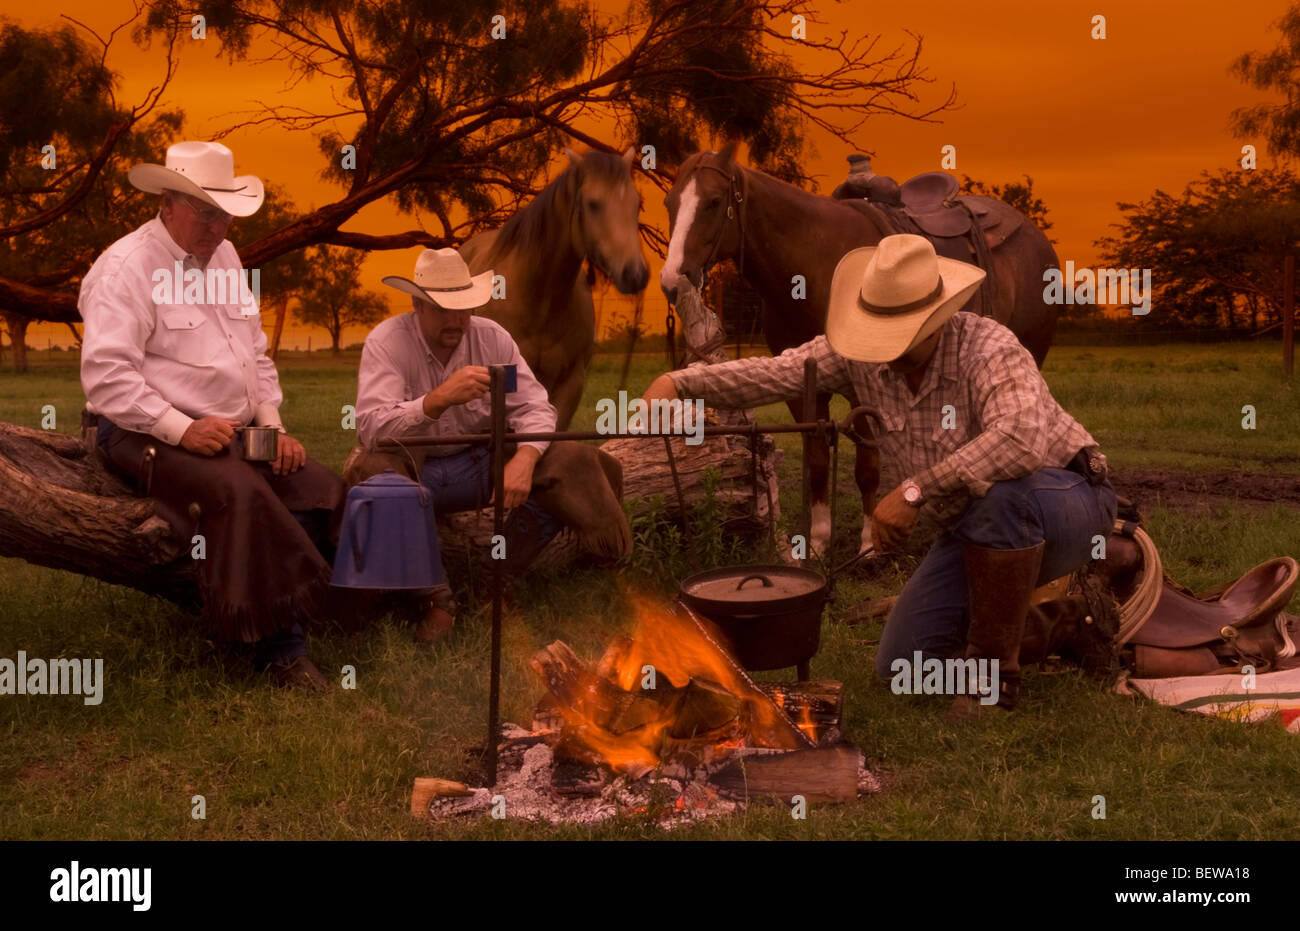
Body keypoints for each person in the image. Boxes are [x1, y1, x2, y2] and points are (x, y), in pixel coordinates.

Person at [643, 234, 1117, 718]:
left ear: (936, 321)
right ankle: (1066, 624)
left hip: (1065, 500)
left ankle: (991, 684)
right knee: (901, 666)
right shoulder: (860, 353)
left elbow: (1019, 442)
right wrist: (680, 383)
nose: (883, 346)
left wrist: (915, 491)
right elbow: (778, 373)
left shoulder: (990, 348)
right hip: (976, 529)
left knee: (1005, 498)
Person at [79, 141, 343, 691]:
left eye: (225, 213)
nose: (218, 226)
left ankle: (284, 609)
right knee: (241, 492)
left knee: (318, 486)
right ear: (168, 201)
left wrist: (270, 425)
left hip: (237, 428)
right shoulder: (124, 268)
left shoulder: (225, 257)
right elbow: (107, 379)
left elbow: (254, 351)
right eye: (206, 212)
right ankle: (279, 648)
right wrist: (182, 427)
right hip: (140, 429)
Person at [353, 247, 568, 641]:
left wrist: (525, 457)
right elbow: (370, 427)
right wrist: (434, 401)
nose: (456, 321)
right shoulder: (387, 342)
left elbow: (535, 405)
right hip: (417, 466)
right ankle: (436, 598)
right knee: (374, 474)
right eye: (442, 309)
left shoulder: (493, 339)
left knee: (565, 464)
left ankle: (496, 575)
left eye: (463, 308)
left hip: (479, 463)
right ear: (417, 304)